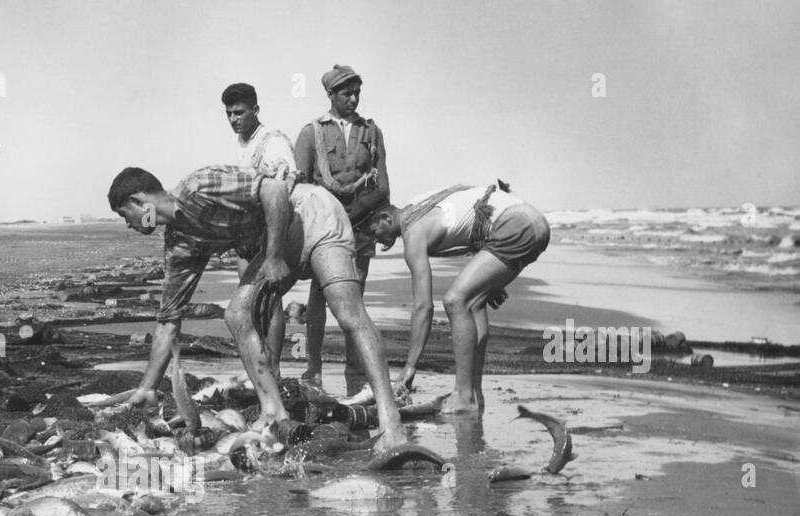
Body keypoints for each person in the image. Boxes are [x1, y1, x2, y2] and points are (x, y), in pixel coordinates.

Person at [106, 164, 406, 448]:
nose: (129, 225)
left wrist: (274, 257)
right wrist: (147, 388)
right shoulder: (180, 243)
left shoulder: (199, 188)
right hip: (278, 238)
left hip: (311, 213)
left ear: (138, 201)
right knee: (237, 314)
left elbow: (274, 189)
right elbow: (169, 320)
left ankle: (391, 421)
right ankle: (274, 412)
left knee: (347, 311)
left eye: (124, 214)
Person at [369, 181, 551, 412]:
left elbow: (423, 307)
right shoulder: (418, 203)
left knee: (455, 300)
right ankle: (474, 394)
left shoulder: (412, 232)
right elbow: (469, 211)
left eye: (373, 231)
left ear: (385, 217)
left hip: (514, 225)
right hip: (531, 220)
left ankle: (463, 397)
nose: (374, 240)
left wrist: (409, 368)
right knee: (474, 303)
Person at [293, 64, 389, 393]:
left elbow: (382, 187)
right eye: (346, 92)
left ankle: (354, 371)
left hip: (361, 226)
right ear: (330, 95)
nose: (354, 97)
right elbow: (301, 186)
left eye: (357, 91)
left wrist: (357, 214)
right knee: (319, 296)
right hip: (323, 229)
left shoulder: (371, 132)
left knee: (354, 299)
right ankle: (314, 369)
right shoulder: (311, 132)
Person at [221, 82, 295, 369]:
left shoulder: (273, 141)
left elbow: (283, 188)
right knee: (250, 306)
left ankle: (273, 367)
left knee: (269, 302)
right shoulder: (237, 145)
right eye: (228, 114)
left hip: (270, 235)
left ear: (255, 110)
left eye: (239, 112)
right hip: (245, 238)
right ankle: (258, 369)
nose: (233, 119)